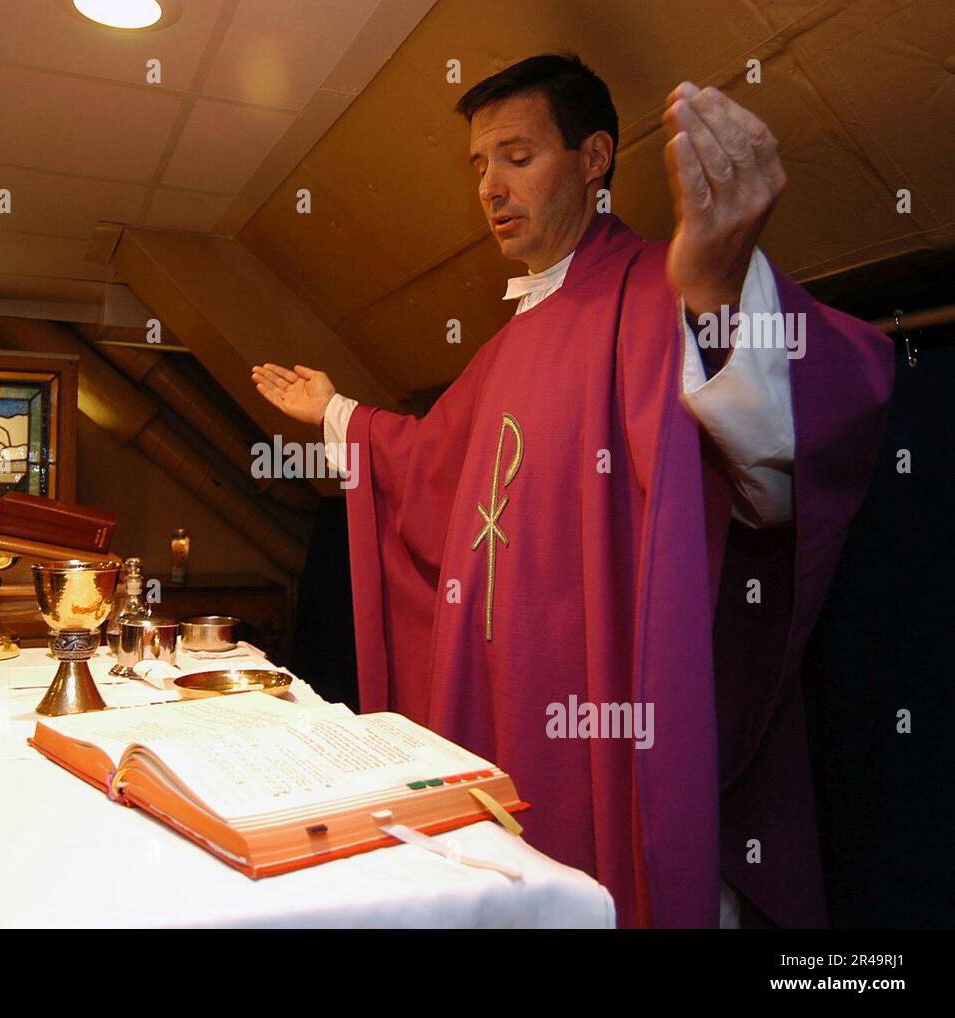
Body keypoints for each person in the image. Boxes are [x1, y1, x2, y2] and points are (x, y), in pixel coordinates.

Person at [252, 54, 893, 928]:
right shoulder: (505, 346)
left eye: (516, 156)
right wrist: (337, 411)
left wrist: (719, 291)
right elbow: (429, 461)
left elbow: (775, 484)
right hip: (502, 702)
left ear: (594, 159)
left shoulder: (657, 286)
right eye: (478, 166)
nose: (490, 186)